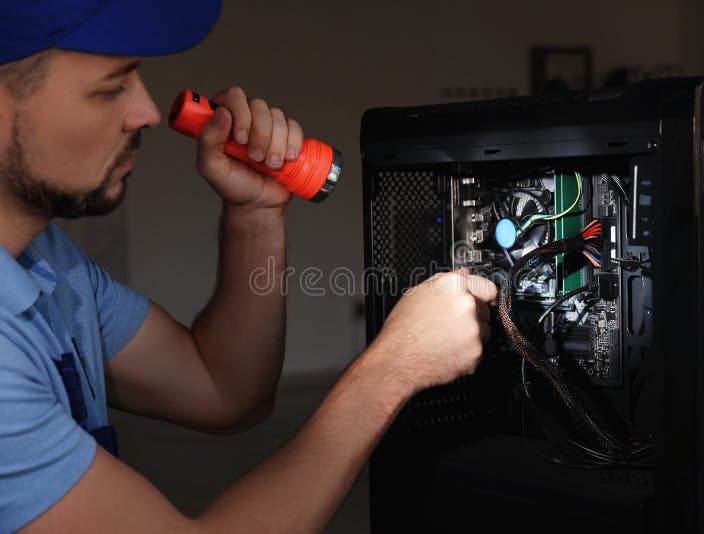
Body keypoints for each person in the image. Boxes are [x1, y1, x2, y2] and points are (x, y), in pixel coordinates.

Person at [0, 1, 497, 532]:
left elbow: (224, 390)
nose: (144, 109)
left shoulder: (46, 263)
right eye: (108, 87)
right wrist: (393, 369)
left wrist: (254, 212)